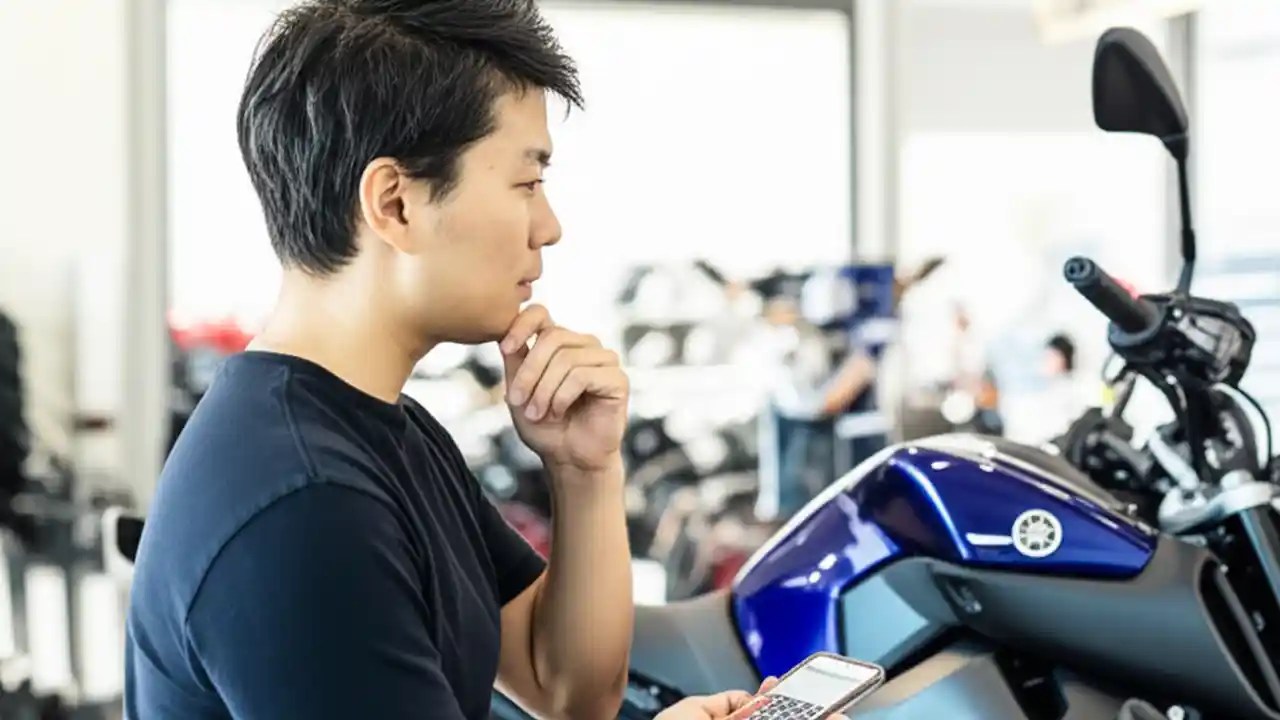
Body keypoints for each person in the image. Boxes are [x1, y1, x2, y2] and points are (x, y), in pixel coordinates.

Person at [123, 2, 797, 719]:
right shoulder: (305, 506)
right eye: (527, 183)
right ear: (396, 203)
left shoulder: (385, 432)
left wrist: (584, 472)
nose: (551, 226)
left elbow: (564, 688)